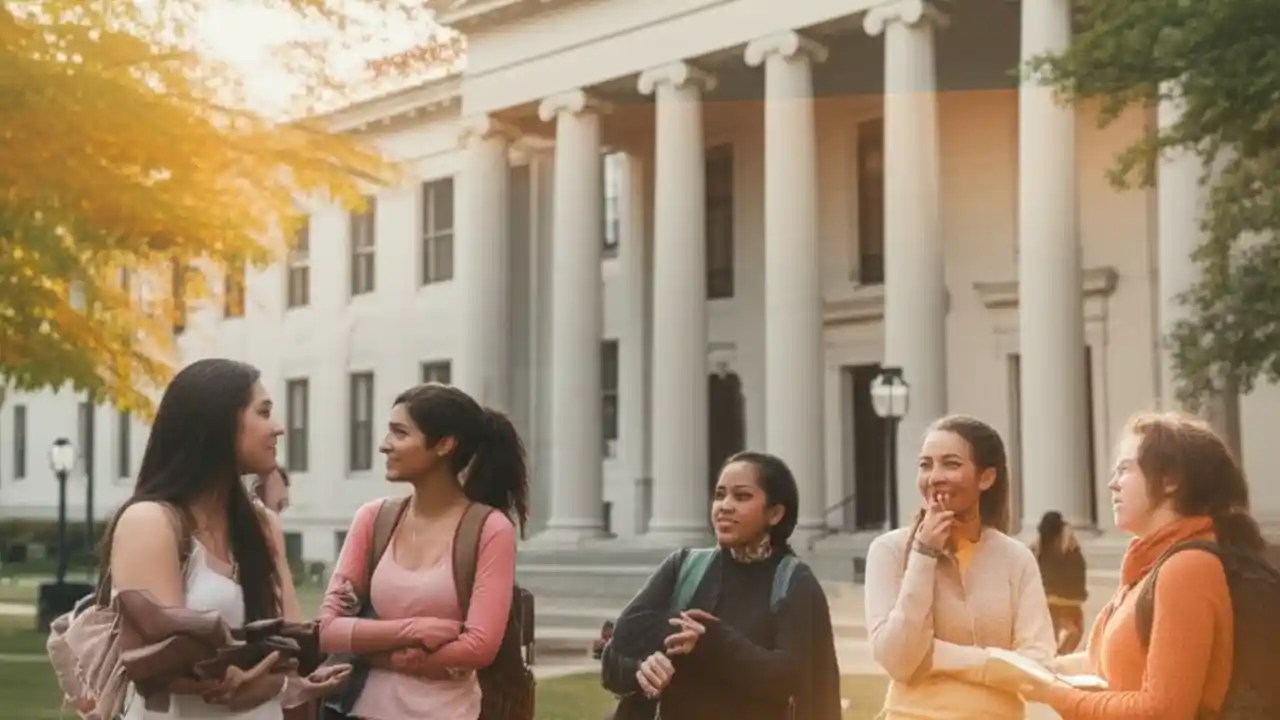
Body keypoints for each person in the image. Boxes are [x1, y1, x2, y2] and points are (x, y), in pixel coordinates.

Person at [100, 358, 347, 719]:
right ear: (217, 423)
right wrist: (268, 678)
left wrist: (274, 678)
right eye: (263, 413)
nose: (277, 428)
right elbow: (166, 660)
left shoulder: (263, 524)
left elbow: (291, 645)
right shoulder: (151, 521)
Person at [1027, 411, 1265, 718]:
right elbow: (1100, 661)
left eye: (1125, 470)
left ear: (1170, 481)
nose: (1112, 484)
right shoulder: (1150, 567)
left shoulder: (1188, 568)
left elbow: (1162, 711)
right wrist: (1032, 668)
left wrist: (1056, 694)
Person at [317, 382, 528, 720]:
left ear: (444, 444)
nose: (385, 446)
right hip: (361, 710)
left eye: (400, 433)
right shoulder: (373, 519)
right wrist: (415, 630)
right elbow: (328, 630)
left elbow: (478, 647)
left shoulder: (490, 529)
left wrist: (385, 654)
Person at [601, 451, 843, 720]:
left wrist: (712, 640)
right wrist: (645, 666)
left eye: (741, 496)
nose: (725, 506)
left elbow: (791, 678)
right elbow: (625, 636)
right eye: (720, 495)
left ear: (774, 513)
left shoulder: (793, 582)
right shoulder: (684, 566)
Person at [864, 414, 1057, 719]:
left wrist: (936, 656)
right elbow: (898, 660)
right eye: (926, 464)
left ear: (986, 478)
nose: (934, 476)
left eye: (950, 464)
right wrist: (924, 554)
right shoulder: (888, 551)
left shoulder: (1015, 558)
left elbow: (1038, 665)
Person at [1030, 511, 1088, 654]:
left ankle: (1054, 658)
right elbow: (1079, 569)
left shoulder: (1038, 546)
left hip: (1047, 598)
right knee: (1075, 630)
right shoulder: (1069, 545)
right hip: (1070, 600)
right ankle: (1061, 656)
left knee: (1051, 635)